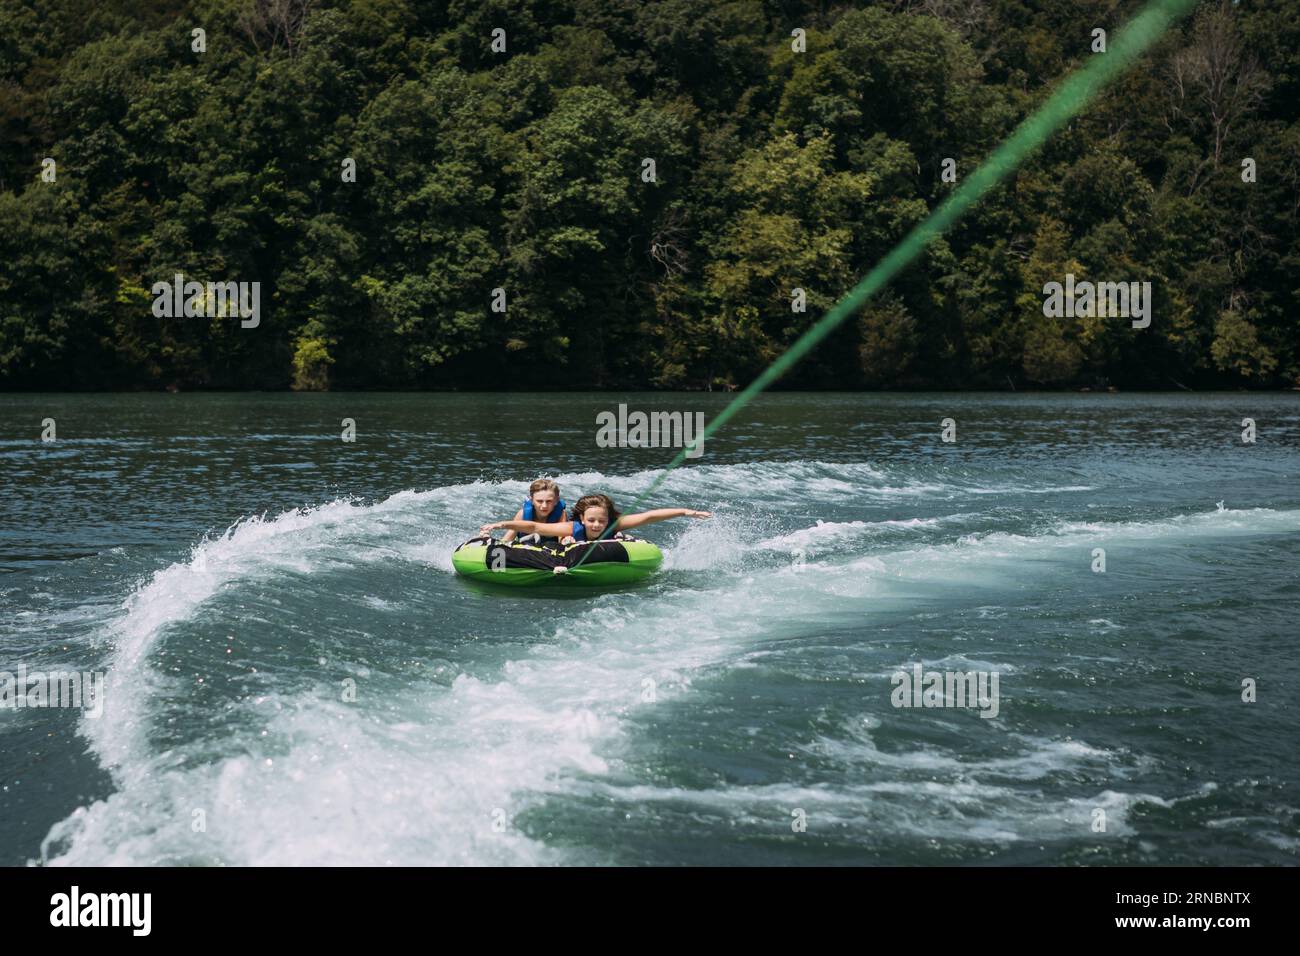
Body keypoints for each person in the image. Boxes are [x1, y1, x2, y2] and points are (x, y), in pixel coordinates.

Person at [480, 492, 710, 545]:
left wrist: (685, 512)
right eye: (591, 520)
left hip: (611, 545)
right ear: (582, 518)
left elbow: (649, 516)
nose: (597, 524)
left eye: (601, 520)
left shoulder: (614, 524)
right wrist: (502, 524)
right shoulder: (572, 527)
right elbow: (533, 525)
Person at [501, 478, 568, 545]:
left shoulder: (561, 514)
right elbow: (505, 541)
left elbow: (562, 541)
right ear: (532, 500)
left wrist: (566, 540)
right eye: (539, 501)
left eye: (549, 501)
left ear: (556, 500)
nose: (544, 506)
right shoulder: (522, 515)